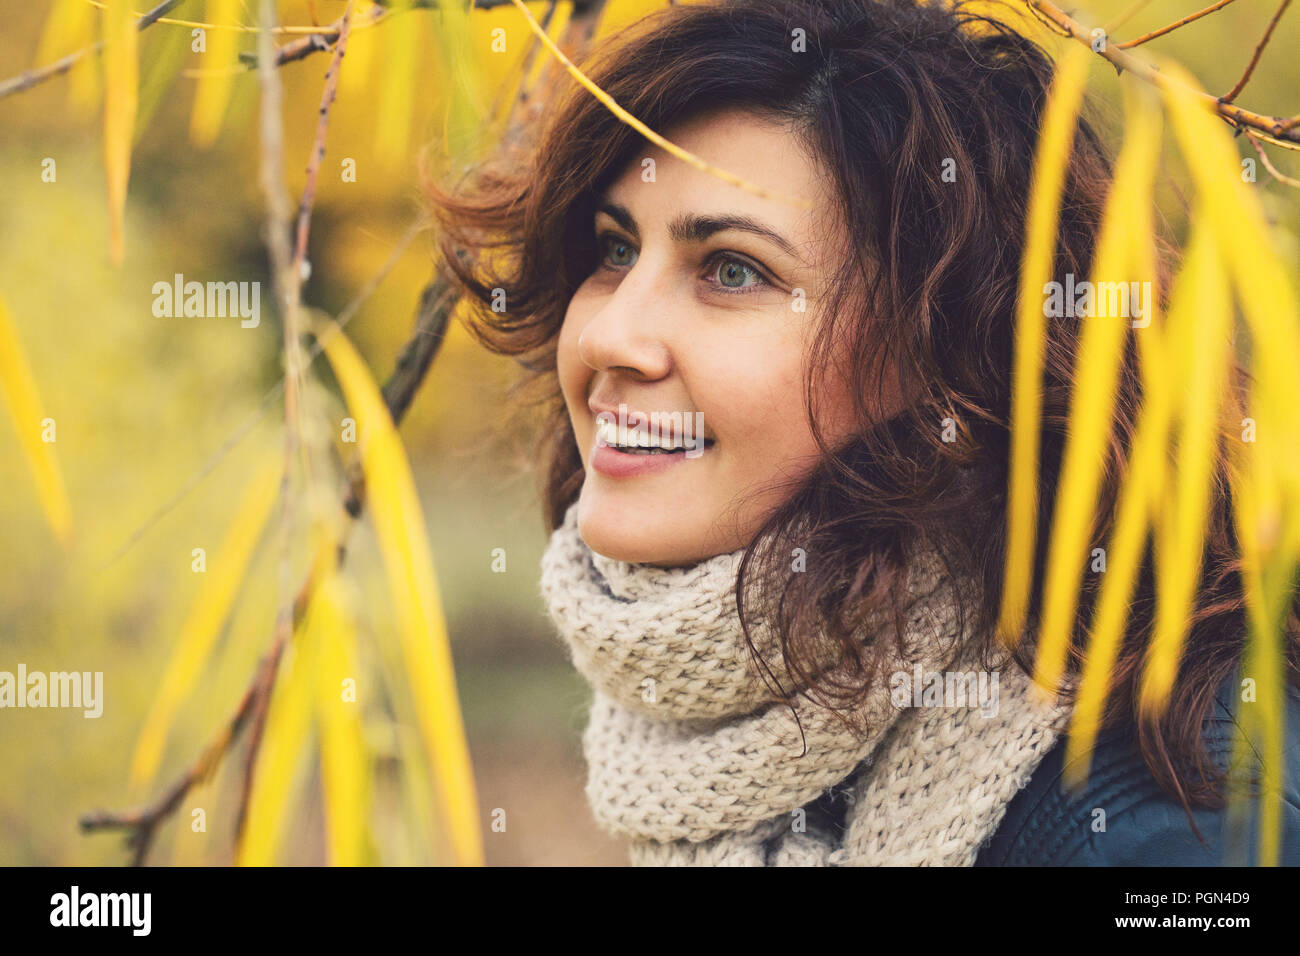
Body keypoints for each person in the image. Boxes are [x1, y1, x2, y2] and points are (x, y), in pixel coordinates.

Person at [425, 0, 1300, 865]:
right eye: (617, 251)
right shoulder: (733, 751)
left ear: (948, 359)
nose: (609, 334)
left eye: (732, 270)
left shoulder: (1174, 833)